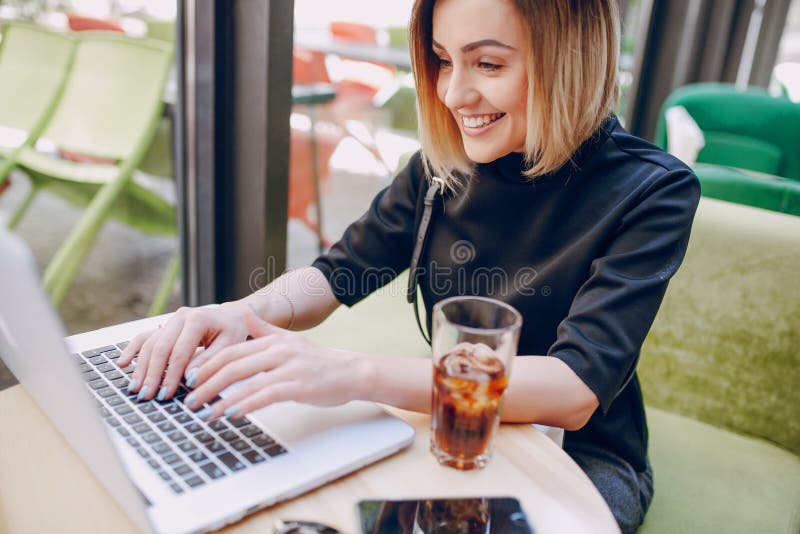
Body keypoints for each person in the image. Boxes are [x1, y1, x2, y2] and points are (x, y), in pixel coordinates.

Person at [120, 0, 699, 531]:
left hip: (578, 454)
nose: (453, 94)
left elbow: (574, 390)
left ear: (571, 60)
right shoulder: (440, 169)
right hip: (450, 425)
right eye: (444, 62)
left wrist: (351, 373)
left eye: (489, 65)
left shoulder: (653, 191)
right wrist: (241, 312)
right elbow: (337, 272)